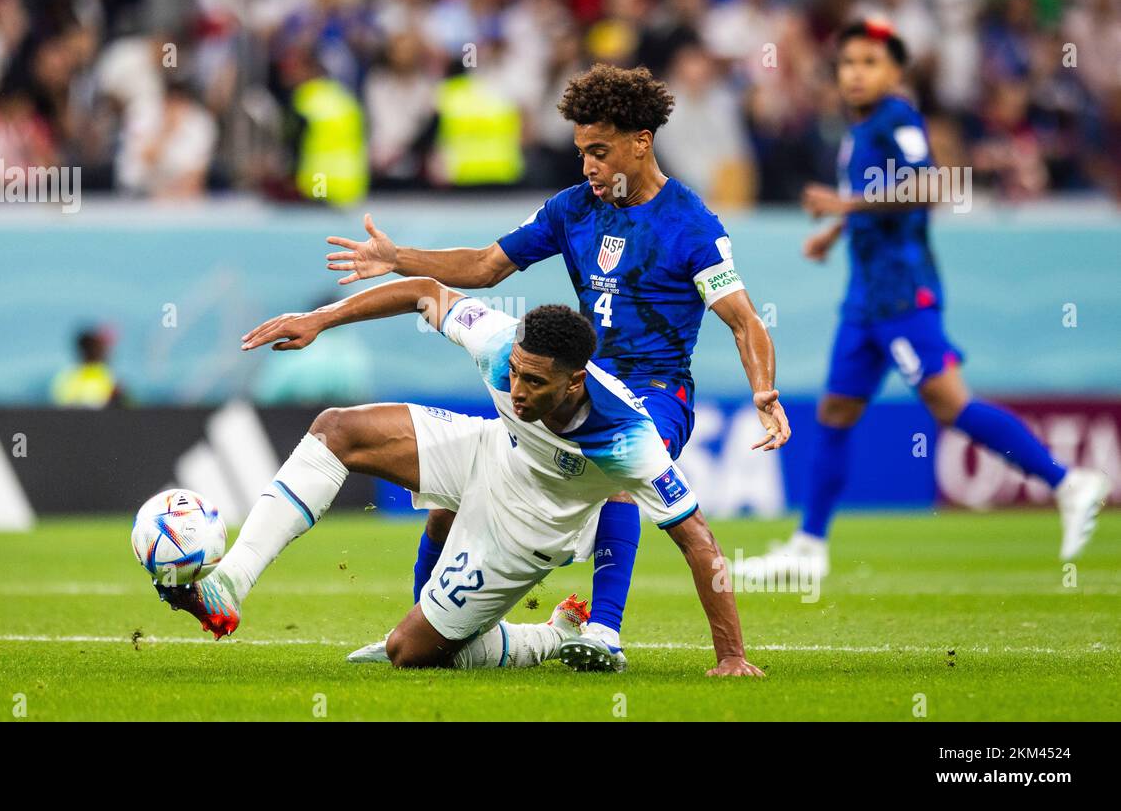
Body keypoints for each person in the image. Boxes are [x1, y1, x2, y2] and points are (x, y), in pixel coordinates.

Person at [322, 64, 789, 671]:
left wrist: (764, 390)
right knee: (457, 494)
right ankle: (421, 640)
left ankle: (604, 632)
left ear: (641, 142)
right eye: (581, 152)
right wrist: (397, 256)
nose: (588, 167)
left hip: (655, 393)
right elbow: (486, 266)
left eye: (599, 152)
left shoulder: (691, 224)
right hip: (573, 386)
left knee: (619, 472)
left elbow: (744, 319)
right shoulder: (572, 209)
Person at [158, 276, 764, 676]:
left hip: (527, 525)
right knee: (337, 429)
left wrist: (732, 656)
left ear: (575, 381)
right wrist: (322, 318)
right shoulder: (503, 347)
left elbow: (699, 540)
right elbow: (424, 291)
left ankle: (552, 637)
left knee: (408, 654)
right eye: (516, 374)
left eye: (535, 382)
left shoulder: (629, 437)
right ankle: (228, 586)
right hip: (487, 449)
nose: (518, 389)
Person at [737, 20, 1109, 580]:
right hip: (864, 298)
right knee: (835, 410)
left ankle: (1068, 481)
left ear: (894, 72)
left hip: (904, 293)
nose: (856, 73)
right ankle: (808, 548)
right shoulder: (857, 128)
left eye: (869, 62)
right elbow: (878, 196)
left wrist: (844, 207)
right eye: (848, 63)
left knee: (948, 404)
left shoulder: (898, 118)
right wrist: (834, 233)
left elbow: (929, 186)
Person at [51, 326, 125, 408]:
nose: (101, 351)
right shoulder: (69, 376)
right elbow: (63, 404)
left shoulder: (109, 376)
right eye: (95, 348)